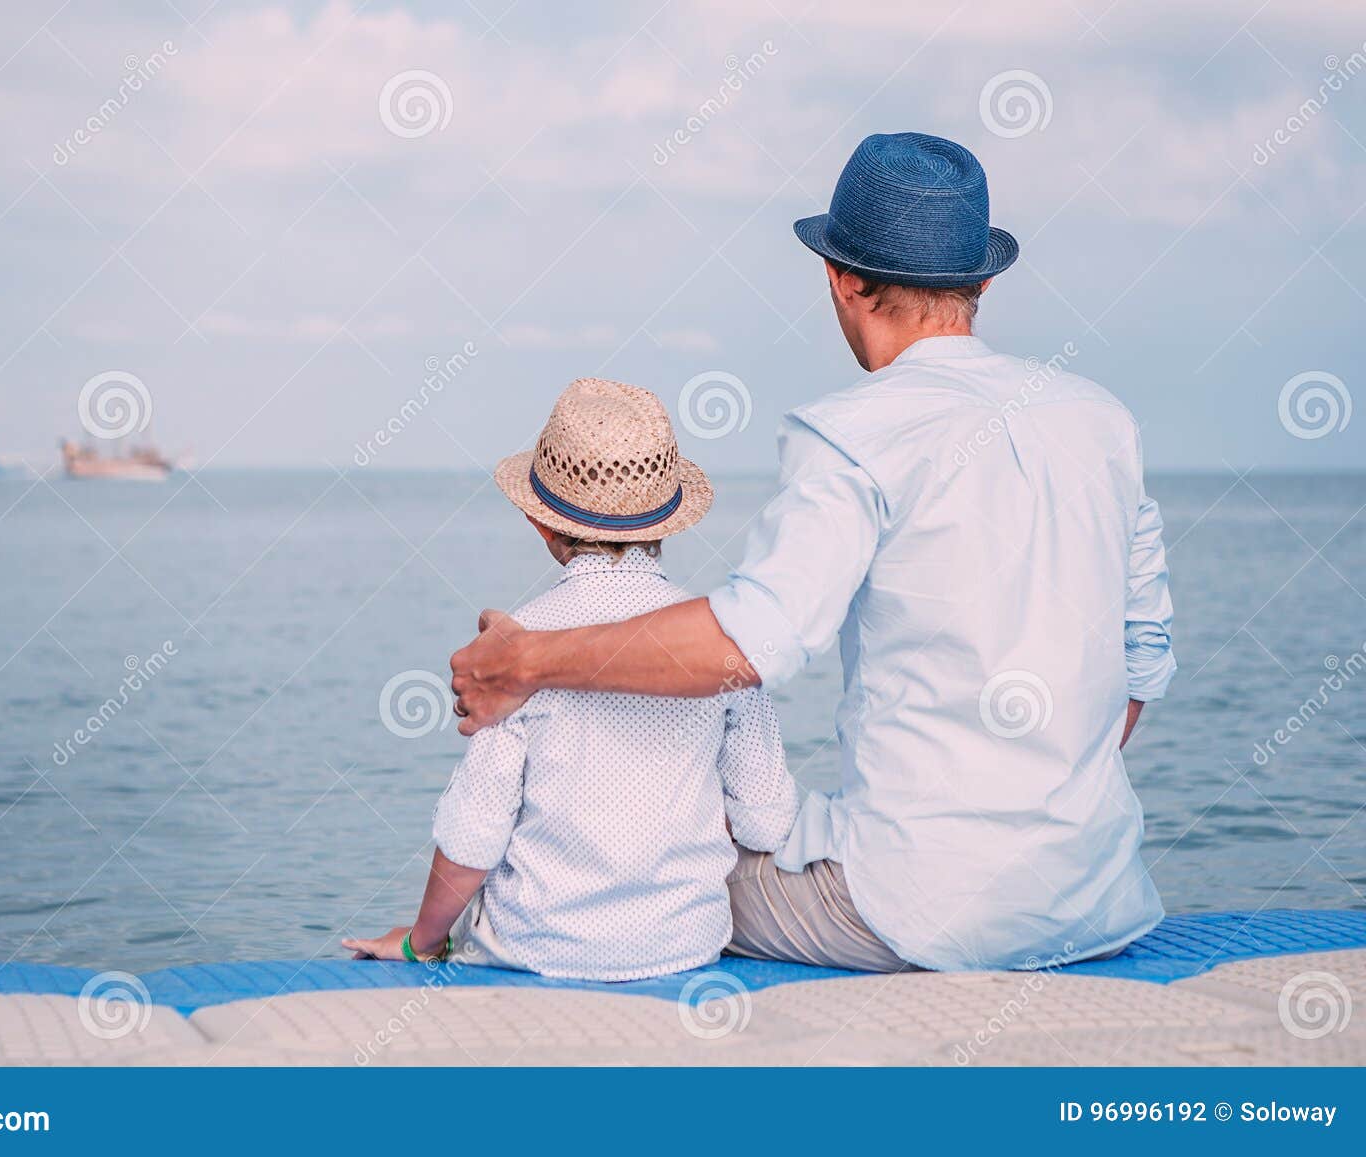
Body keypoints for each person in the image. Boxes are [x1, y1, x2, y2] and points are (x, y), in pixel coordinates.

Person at [448, 132, 1176, 973]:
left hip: (914, 915)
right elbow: (1142, 666)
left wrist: (526, 659)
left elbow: (752, 641)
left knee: (651, 888)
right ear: (980, 282)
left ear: (840, 279)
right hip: (1099, 897)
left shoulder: (854, 434)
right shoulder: (1102, 421)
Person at [344, 377, 798, 980]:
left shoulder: (517, 648)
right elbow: (766, 820)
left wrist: (421, 943)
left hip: (535, 950)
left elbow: (475, 832)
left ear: (541, 523)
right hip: (685, 947)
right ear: (667, 524)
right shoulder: (721, 644)